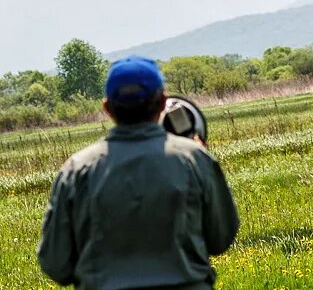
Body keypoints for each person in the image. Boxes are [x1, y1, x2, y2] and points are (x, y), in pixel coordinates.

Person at [38, 56, 240, 290]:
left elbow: (55, 263)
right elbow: (221, 238)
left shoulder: (77, 169)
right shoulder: (193, 159)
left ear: (107, 107)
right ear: (163, 102)